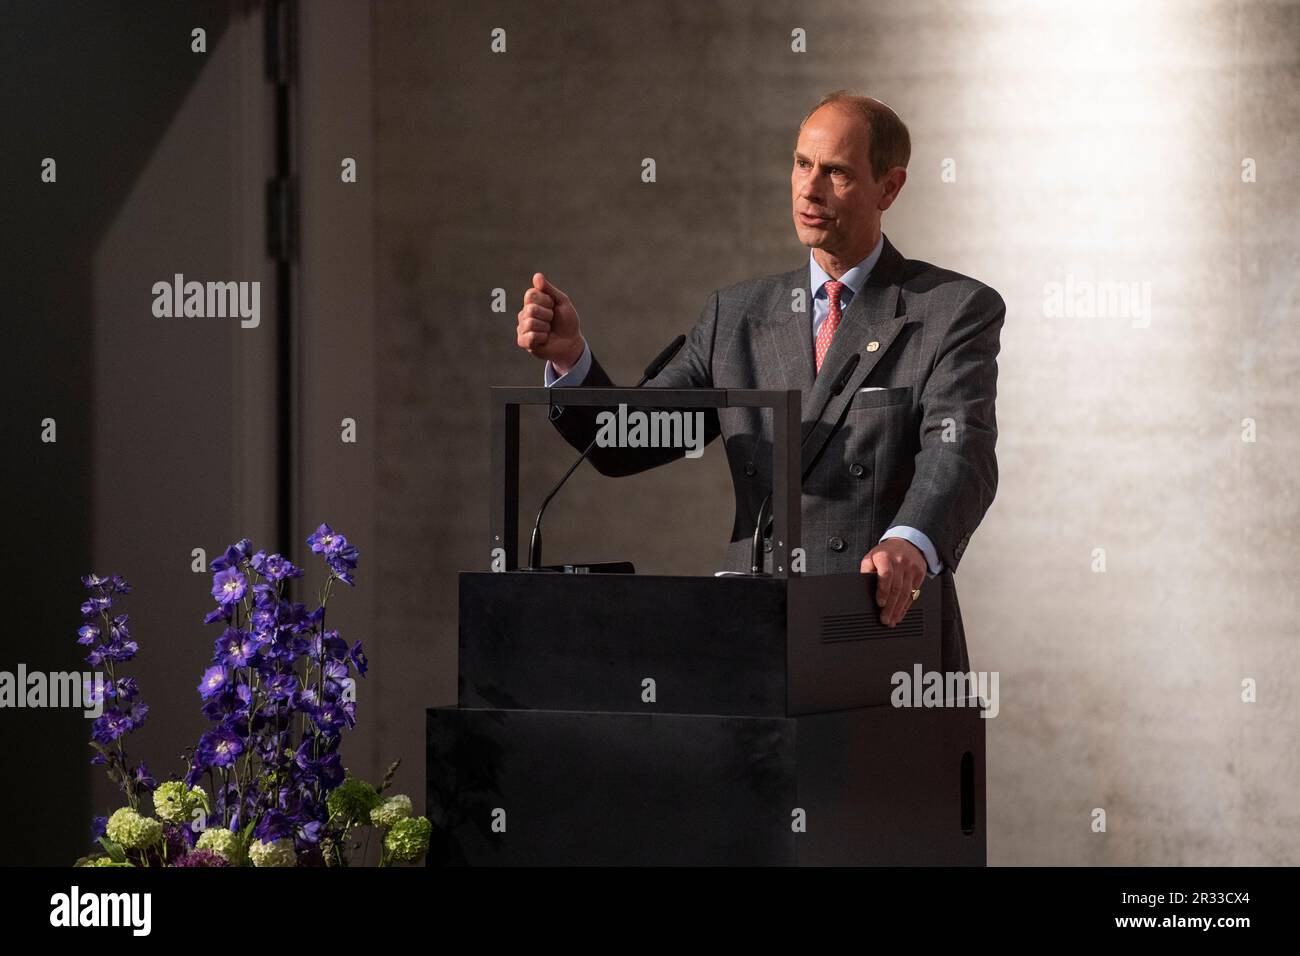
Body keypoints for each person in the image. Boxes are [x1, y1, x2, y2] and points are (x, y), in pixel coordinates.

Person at [513, 90, 1004, 675]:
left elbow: (960, 456)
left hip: (883, 629)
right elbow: (628, 441)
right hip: (755, 637)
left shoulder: (950, 309)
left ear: (889, 188)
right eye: (801, 164)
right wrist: (571, 360)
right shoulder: (737, 316)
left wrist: (910, 543)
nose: (810, 188)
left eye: (837, 172)